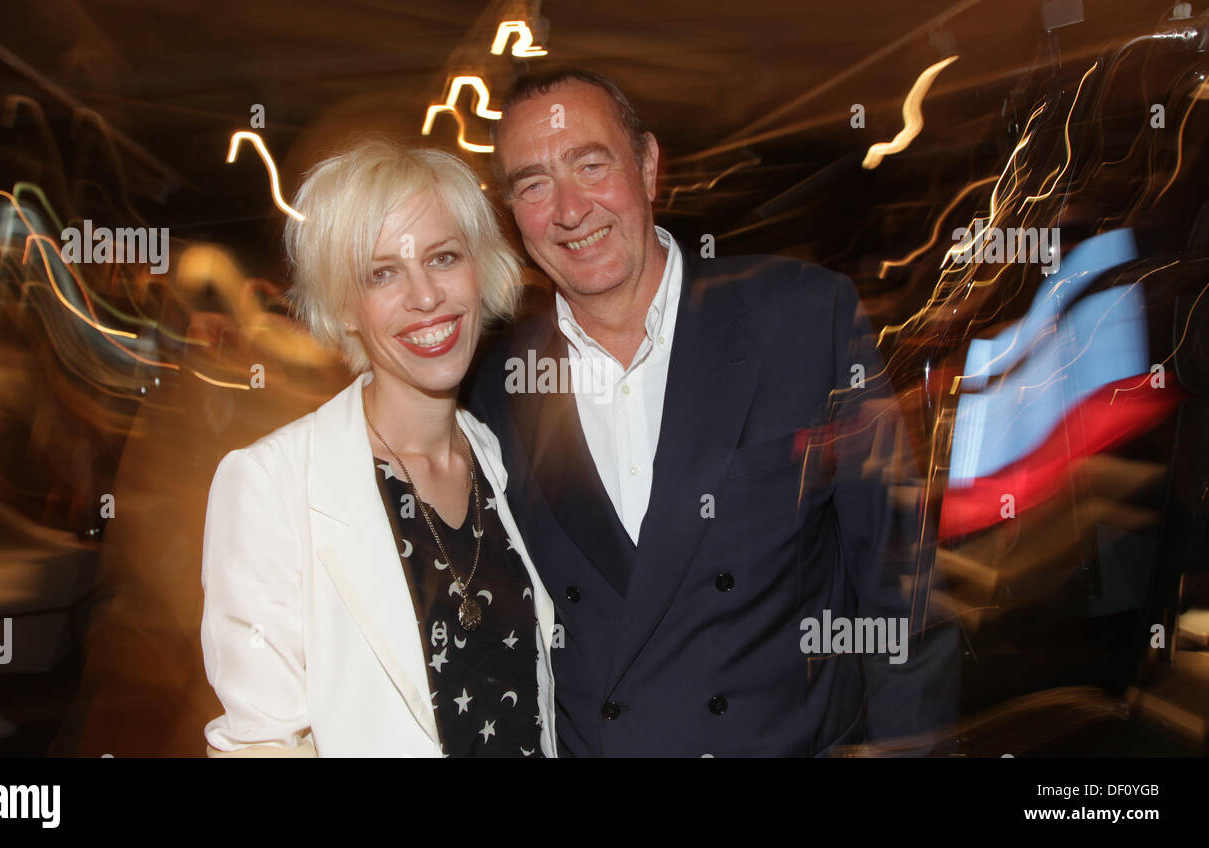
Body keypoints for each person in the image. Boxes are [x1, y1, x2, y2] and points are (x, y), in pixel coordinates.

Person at [469, 69, 958, 756]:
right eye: (533, 184)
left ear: (647, 166)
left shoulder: (802, 318)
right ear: (512, 212)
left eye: (591, 164)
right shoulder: (494, 388)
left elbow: (899, 585)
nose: (570, 210)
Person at [200, 136, 557, 757]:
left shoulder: (495, 457)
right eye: (382, 272)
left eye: (444, 258)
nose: (425, 297)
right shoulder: (273, 484)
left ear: (481, 271)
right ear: (343, 308)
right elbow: (260, 747)